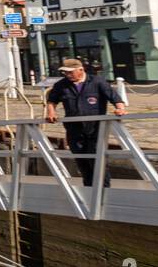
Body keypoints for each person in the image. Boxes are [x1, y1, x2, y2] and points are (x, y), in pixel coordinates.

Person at [44, 58, 125, 187]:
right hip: (74, 128)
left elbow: (113, 96)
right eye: (65, 73)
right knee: (81, 159)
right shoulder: (62, 85)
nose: (67, 75)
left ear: (81, 70)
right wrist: (51, 112)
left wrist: (120, 108)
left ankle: (104, 188)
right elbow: (52, 100)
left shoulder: (97, 81)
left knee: (97, 158)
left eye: (70, 72)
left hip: (96, 128)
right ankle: (88, 188)